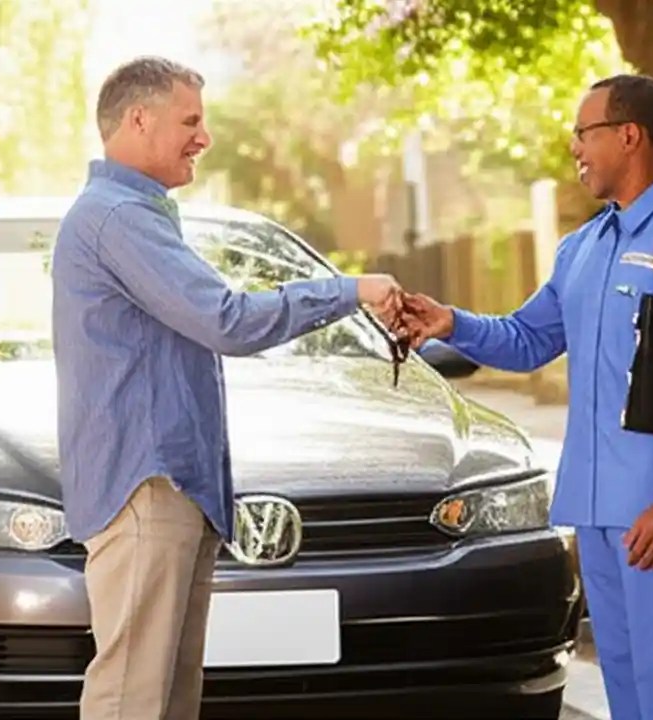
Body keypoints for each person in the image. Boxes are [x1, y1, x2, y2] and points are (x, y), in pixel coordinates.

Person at [50, 56, 404, 720]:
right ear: (138, 120)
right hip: (145, 490)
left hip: (168, 488)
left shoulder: (135, 216)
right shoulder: (118, 220)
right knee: (135, 697)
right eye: (190, 120)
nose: (204, 138)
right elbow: (226, 320)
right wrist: (348, 290)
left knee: (167, 699)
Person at [399, 74, 653, 720]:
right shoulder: (583, 249)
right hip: (594, 512)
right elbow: (529, 338)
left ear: (629, 135)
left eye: (583, 133)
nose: (575, 149)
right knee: (626, 691)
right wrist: (450, 322)